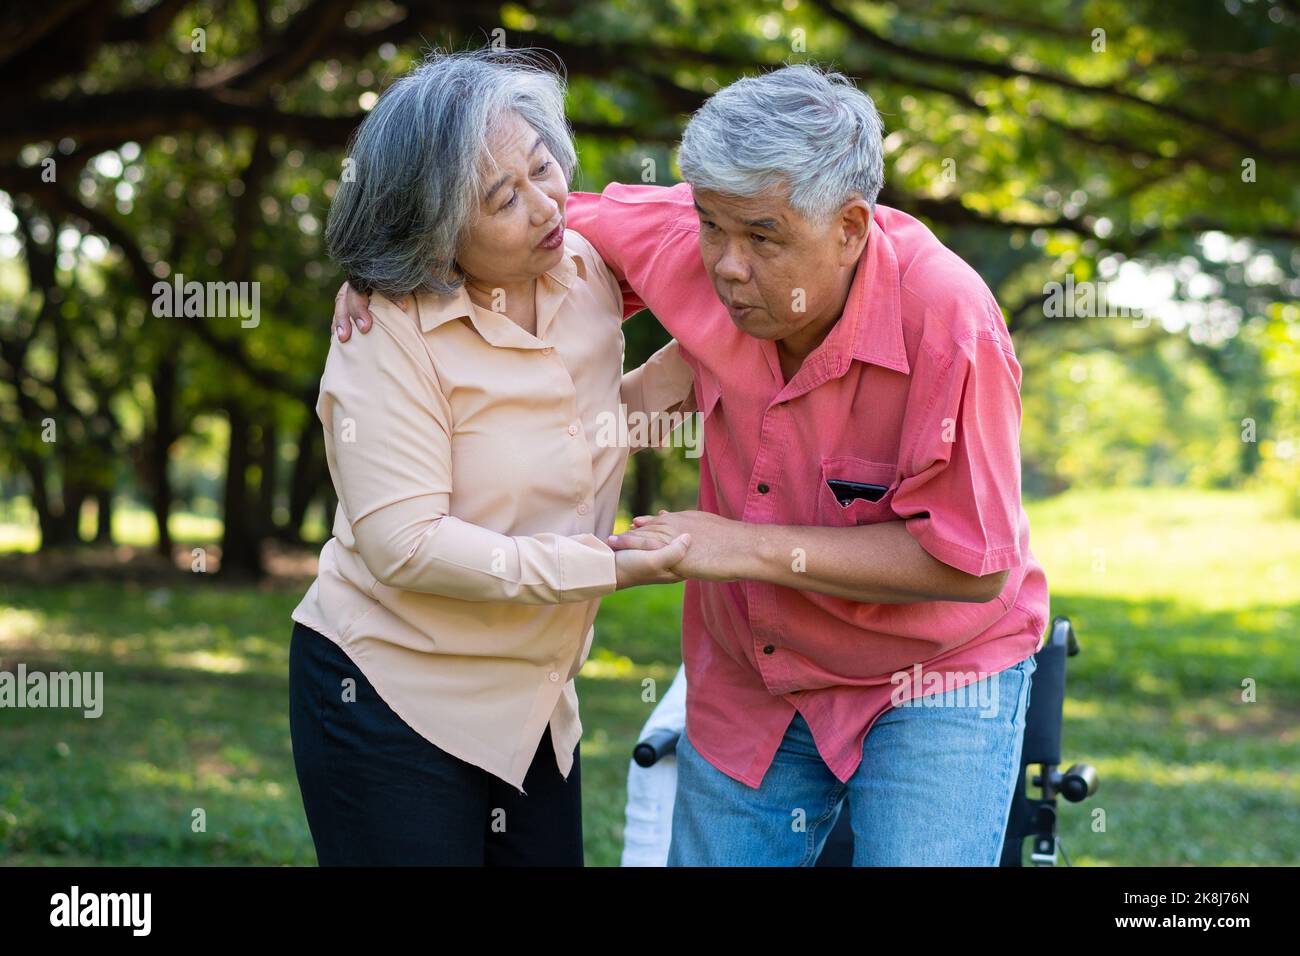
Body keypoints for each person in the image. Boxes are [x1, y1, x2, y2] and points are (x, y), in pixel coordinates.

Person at [335, 63, 1049, 866]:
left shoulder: (952, 326)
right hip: (756, 671)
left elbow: (973, 567)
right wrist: (380, 275)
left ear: (851, 228)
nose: (727, 266)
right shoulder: (692, 229)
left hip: (932, 678)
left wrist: (738, 546)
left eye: (763, 237)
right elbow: (504, 215)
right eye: (712, 225)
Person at [290, 47, 695, 867]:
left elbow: (734, 213)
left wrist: (706, 355)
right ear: (435, 232)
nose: (548, 205)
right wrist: (603, 564)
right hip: (393, 696)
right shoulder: (388, 330)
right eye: (503, 199)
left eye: (546, 168)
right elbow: (405, 544)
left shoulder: (583, 264)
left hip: (536, 703)